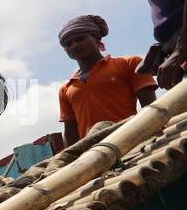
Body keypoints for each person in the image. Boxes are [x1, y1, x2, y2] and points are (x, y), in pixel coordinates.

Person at [57, 15, 156, 146]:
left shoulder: (130, 63)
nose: (74, 45)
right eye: (68, 44)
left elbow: (150, 107)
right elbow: (70, 133)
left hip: (131, 141)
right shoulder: (66, 89)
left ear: (97, 39)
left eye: (80, 39)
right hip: (92, 153)